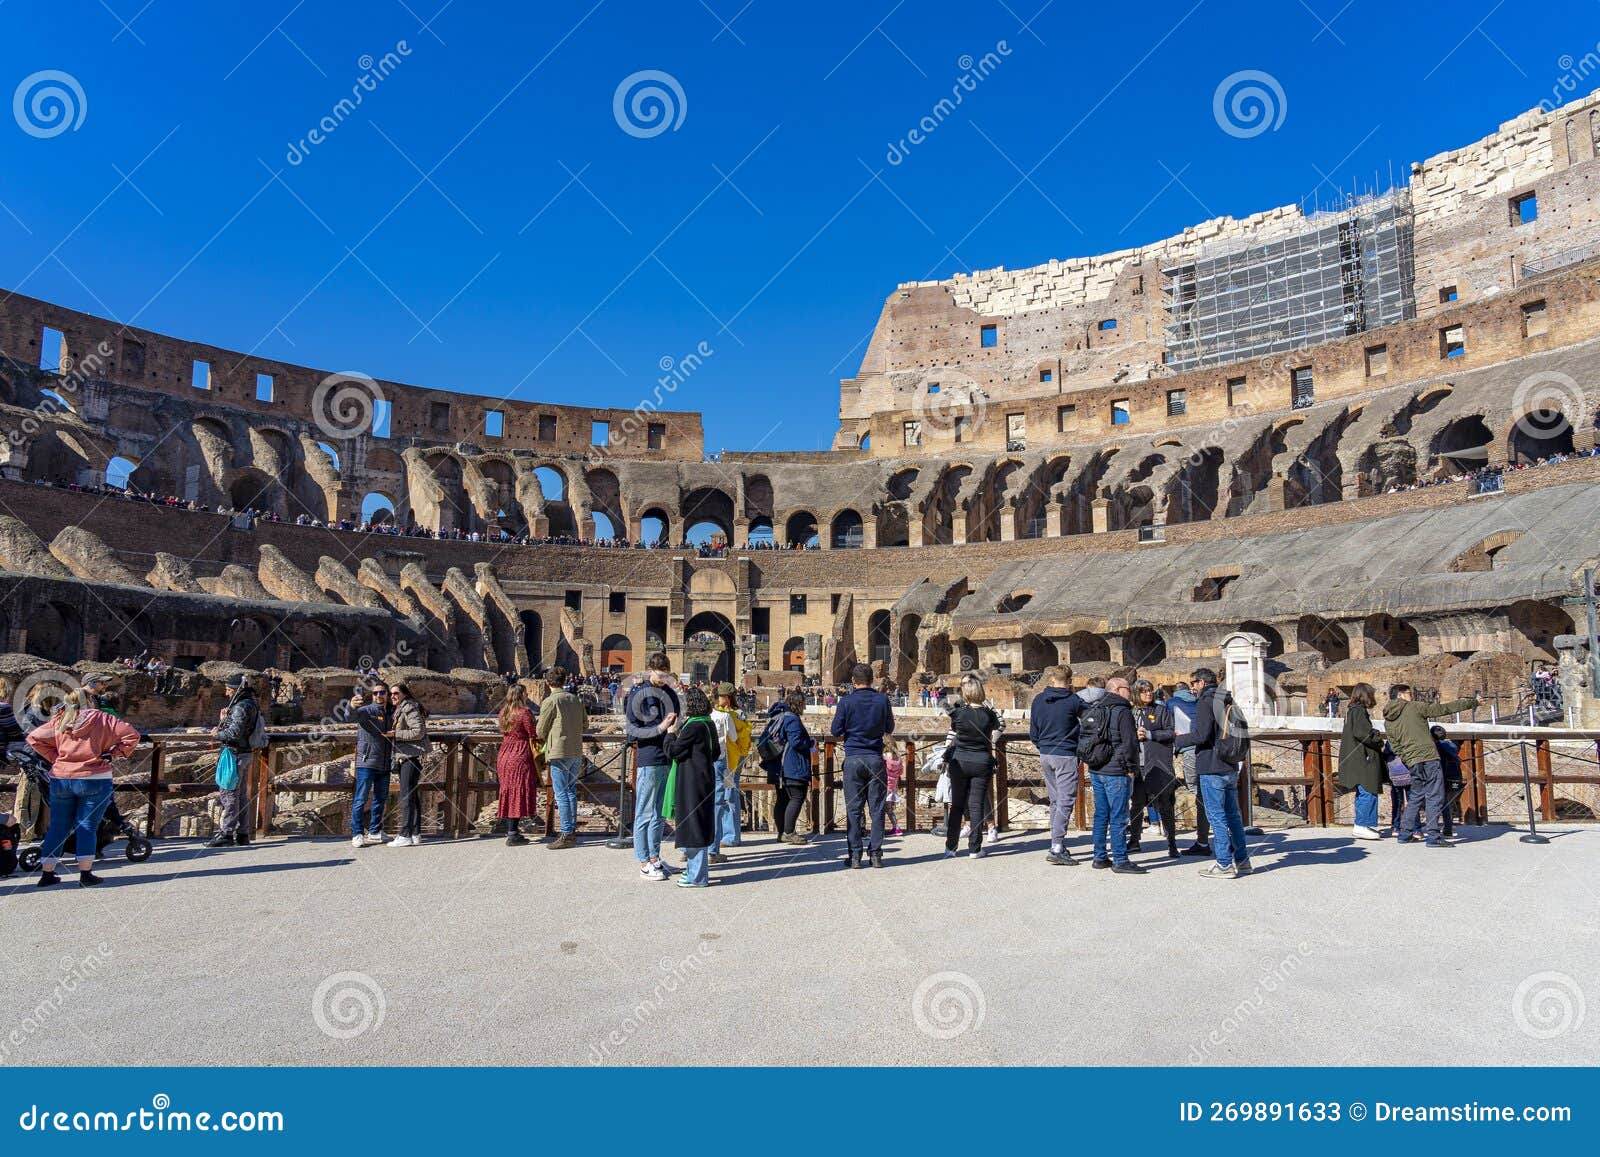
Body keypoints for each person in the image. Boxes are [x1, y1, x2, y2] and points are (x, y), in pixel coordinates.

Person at [27, 686, 141, 887]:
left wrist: (56, 757)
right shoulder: (103, 718)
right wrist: (114, 753)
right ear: (90, 701)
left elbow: (34, 738)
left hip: (61, 777)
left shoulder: (62, 718)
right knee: (87, 827)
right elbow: (132, 735)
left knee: (58, 826)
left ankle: (47, 874)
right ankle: (85, 874)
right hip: (94, 777)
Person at [1173, 668, 1251, 879]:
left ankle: (1224, 864)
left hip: (1211, 765)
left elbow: (1202, 735)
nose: (1191, 688)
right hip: (1230, 765)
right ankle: (1243, 861)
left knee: (1216, 816)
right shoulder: (1227, 699)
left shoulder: (1206, 701)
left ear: (1202, 683)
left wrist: (1179, 739)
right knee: (1233, 816)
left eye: (1193, 683)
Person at [1383, 685, 1477, 847]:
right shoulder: (1415, 707)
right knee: (1435, 795)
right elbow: (1443, 708)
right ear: (1400, 695)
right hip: (1428, 757)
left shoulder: (1388, 720)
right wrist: (1472, 703)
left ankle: (1405, 833)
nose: (1411, 695)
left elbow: (1395, 745)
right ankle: (1433, 836)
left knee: (1416, 796)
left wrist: (1406, 757)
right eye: (1409, 693)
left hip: (1412, 760)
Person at [831, 662, 895, 869]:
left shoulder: (846, 702)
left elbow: (835, 730)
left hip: (853, 759)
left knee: (854, 809)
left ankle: (855, 856)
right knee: (877, 809)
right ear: (872, 680)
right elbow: (889, 727)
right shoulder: (882, 700)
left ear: (853, 681)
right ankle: (876, 855)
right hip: (875, 758)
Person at [625, 652, 681, 878]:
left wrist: (674, 727)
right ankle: (643, 861)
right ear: (649, 670)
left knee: (658, 813)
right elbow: (632, 731)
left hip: (666, 757)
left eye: (666, 675)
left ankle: (655, 857)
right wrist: (659, 729)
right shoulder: (638, 694)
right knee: (644, 812)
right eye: (660, 675)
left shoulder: (670, 693)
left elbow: (677, 719)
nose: (663, 679)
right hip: (648, 758)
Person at [1082, 675, 1143, 874]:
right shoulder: (1122, 710)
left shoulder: (1096, 707)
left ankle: (1099, 857)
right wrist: (1132, 768)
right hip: (1116, 771)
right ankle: (1120, 859)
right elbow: (1130, 743)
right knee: (1119, 815)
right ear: (1117, 689)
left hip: (1097, 768)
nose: (1130, 691)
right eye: (1127, 688)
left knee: (1101, 814)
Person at [664, 687, 721, 888]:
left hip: (692, 782)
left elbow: (674, 752)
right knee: (699, 822)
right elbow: (716, 752)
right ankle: (694, 872)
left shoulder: (693, 727)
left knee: (693, 825)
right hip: (704, 778)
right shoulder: (708, 723)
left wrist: (671, 734)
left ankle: (697, 876)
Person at [1028, 664, 1084, 866]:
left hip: (1045, 754)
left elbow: (1033, 731)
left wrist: (1043, 744)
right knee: (1066, 801)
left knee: (1055, 801)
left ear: (1051, 679)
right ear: (1070, 682)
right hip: (1066, 754)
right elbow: (1090, 720)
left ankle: (1056, 841)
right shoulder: (1073, 700)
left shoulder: (1038, 700)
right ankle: (1057, 847)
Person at [943, 674, 1001, 859]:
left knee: (957, 805)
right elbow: (997, 725)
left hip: (959, 761)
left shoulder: (959, 713)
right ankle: (975, 848)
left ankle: (951, 847)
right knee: (976, 805)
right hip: (981, 762)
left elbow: (952, 721)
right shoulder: (988, 715)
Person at [537, 666, 587, 849]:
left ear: (547, 682)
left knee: (562, 794)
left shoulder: (551, 701)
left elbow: (540, 730)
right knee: (571, 791)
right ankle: (570, 830)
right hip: (575, 750)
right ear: (565, 680)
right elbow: (585, 724)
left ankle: (566, 834)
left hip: (559, 751)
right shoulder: (575, 699)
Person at [211, 673, 262, 848]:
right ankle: (242, 833)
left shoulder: (241, 707)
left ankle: (227, 833)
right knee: (240, 794)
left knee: (229, 793)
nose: (226, 694)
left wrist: (217, 732)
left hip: (234, 754)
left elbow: (234, 734)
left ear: (234, 690)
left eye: (228, 690)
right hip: (244, 753)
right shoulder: (251, 703)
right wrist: (225, 720)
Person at [1129, 678, 1178, 857]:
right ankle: (1134, 841)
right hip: (1137, 765)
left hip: (1158, 765)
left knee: (1165, 804)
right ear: (1136, 694)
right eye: (1143, 691)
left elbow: (1171, 733)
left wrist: (1150, 734)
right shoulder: (1130, 712)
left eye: (1149, 690)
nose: (1148, 693)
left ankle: (1172, 843)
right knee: (1137, 804)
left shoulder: (1160, 710)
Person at [758, 690, 814, 845]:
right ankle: (789, 832)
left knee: (782, 799)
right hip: (792, 766)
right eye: (803, 704)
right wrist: (810, 743)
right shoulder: (793, 720)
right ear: (799, 704)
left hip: (778, 767)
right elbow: (796, 742)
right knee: (797, 797)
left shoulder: (779, 717)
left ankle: (782, 832)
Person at [1336, 683, 1385, 840]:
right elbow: (1361, 733)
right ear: (1366, 695)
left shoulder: (1352, 711)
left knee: (1363, 791)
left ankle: (1362, 824)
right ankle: (1361, 825)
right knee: (1368, 790)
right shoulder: (1359, 711)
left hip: (1356, 757)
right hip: (1362, 759)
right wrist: (1377, 738)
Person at [1167, 679, 1209, 856]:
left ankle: (1203, 840)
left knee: (1196, 791)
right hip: (1204, 747)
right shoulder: (1200, 700)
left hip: (1188, 746)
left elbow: (1168, 725)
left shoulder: (1171, 702)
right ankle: (1206, 837)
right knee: (1204, 791)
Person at [709, 682, 750, 859]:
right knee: (723, 794)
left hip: (731, 762)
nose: (719, 698)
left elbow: (737, 737)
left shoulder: (738, 715)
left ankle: (731, 836)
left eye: (722, 696)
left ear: (729, 697)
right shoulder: (719, 713)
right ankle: (725, 833)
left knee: (729, 793)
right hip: (724, 760)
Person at [350, 681, 393, 848]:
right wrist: (351, 705)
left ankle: (375, 831)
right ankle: (357, 833)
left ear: (387, 694)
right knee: (361, 798)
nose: (379, 695)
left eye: (382, 692)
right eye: (375, 693)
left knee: (380, 798)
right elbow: (352, 716)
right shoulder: (366, 711)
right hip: (366, 761)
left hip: (385, 762)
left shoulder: (391, 713)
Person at [386, 682, 429, 847]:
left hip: (410, 757)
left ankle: (405, 835)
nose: (393, 696)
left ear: (404, 693)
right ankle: (416, 833)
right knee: (412, 796)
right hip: (408, 756)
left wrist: (395, 734)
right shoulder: (403, 707)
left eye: (396, 693)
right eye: (391, 694)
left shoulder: (409, 707)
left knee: (406, 796)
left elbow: (418, 731)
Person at [496, 683, 538, 847]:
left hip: (504, 754)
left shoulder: (503, 712)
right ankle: (513, 834)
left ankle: (512, 831)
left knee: (508, 791)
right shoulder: (524, 712)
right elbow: (532, 734)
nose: (527, 695)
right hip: (519, 754)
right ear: (521, 695)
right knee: (517, 792)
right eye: (526, 693)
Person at [1432, 725, 1464, 838]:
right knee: (1449, 802)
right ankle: (1448, 828)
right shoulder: (1451, 746)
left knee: (1439, 803)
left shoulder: (1434, 746)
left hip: (1442, 777)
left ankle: (1438, 828)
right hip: (1455, 777)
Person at [883, 745, 904, 837]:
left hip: (883, 786)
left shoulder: (883, 757)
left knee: (880, 809)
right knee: (889, 809)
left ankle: (879, 830)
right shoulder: (898, 759)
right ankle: (896, 828)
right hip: (893, 788)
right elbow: (901, 772)